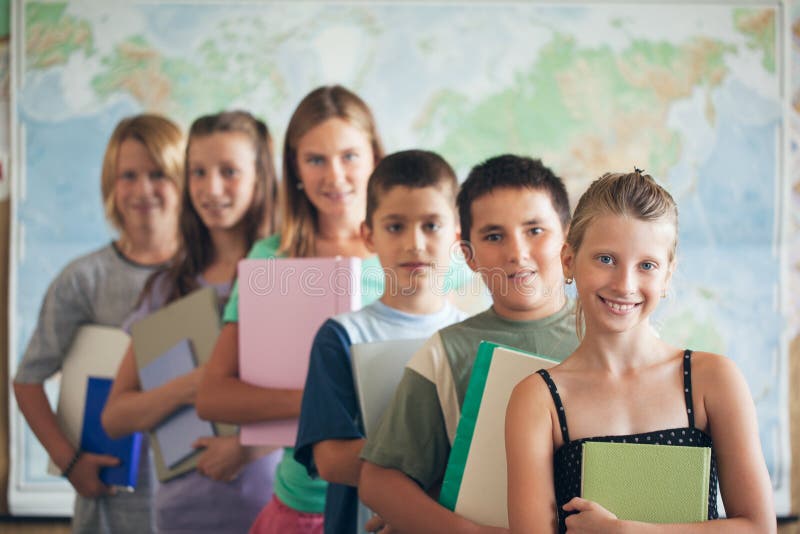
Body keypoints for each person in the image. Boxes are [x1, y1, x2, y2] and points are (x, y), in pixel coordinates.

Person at [505, 170, 776, 533]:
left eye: (646, 265)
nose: (624, 284)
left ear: (666, 276)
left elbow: (759, 528)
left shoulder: (713, 380)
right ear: (569, 261)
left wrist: (626, 531)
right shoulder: (537, 400)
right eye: (605, 259)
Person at [195, 85, 384, 533]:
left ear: (375, 156)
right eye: (315, 159)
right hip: (303, 507)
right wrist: (322, 404)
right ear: (294, 168)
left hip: (396, 504)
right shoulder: (270, 258)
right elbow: (214, 396)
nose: (334, 175)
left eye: (349, 156)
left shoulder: (421, 256)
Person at [358, 154, 580, 533]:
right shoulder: (447, 351)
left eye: (535, 230)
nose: (517, 252)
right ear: (469, 255)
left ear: (567, 240)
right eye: (494, 236)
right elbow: (378, 481)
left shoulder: (616, 338)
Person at [101, 110, 281, 534]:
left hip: (273, 510)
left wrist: (245, 448)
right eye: (198, 172)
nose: (211, 188)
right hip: (182, 515)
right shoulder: (169, 288)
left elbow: (325, 404)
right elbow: (115, 416)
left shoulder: (289, 275)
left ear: (261, 178)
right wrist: (191, 386)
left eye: (229, 171)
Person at [13, 114, 183, 533]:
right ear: (111, 184)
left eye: (158, 174)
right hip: (111, 507)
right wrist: (72, 464)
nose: (143, 189)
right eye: (129, 175)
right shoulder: (83, 280)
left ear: (183, 180)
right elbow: (27, 380)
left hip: (193, 496)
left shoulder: (209, 274)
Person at [293, 149, 468, 534]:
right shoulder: (341, 337)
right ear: (368, 235)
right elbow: (331, 460)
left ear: (456, 235)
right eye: (395, 226)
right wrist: (441, 453)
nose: (414, 243)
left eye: (431, 225)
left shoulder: (473, 336)